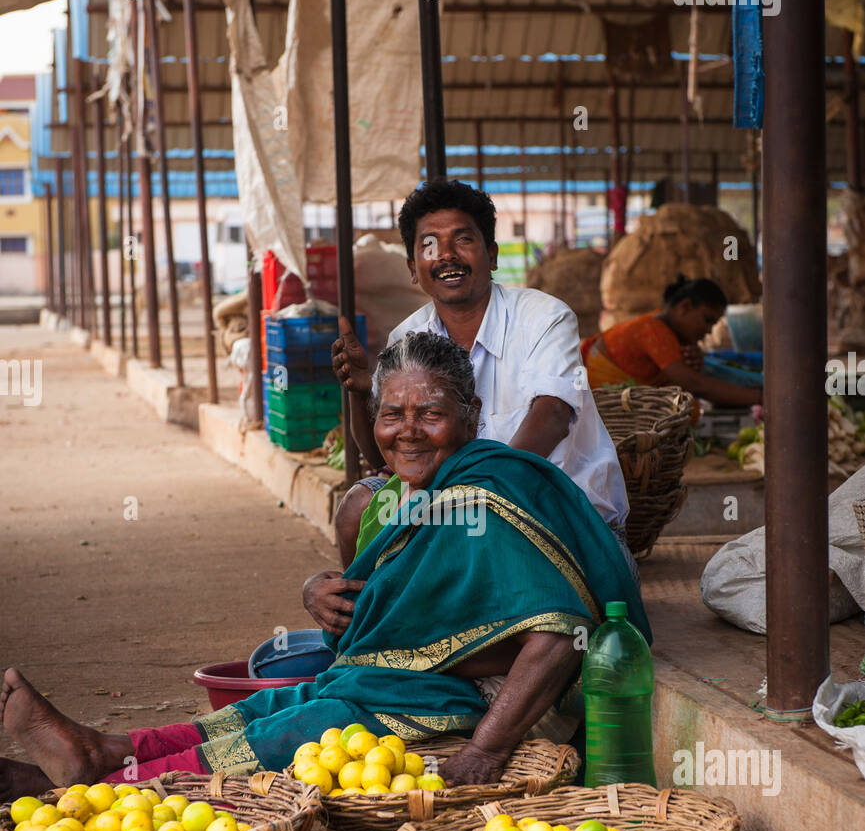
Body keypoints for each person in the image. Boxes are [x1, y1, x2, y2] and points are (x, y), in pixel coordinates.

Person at [0, 334, 649, 798]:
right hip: (421, 677)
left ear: (470, 417)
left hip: (507, 701)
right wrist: (318, 591)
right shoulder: (416, 495)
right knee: (286, 703)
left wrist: (486, 750)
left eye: (431, 413)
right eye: (392, 414)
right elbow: (398, 604)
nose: (408, 431)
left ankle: (94, 789)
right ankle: (105, 755)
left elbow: (561, 633)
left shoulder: (483, 491)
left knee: (310, 725)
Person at [331, 177, 630, 565]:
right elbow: (386, 456)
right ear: (412, 268)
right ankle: (368, 614)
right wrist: (359, 393)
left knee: (526, 605)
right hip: (449, 509)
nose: (446, 255)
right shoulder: (406, 336)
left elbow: (552, 415)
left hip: (552, 507)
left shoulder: (545, 317)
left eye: (463, 240)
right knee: (357, 505)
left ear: (491, 255)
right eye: (429, 244)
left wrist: (471, 499)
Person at [580, 275, 763, 409]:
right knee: (681, 410)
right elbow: (695, 385)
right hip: (601, 398)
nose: (708, 331)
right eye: (707, 320)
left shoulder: (668, 329)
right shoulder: (654, 331)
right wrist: (761, 397)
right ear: (685, 307)